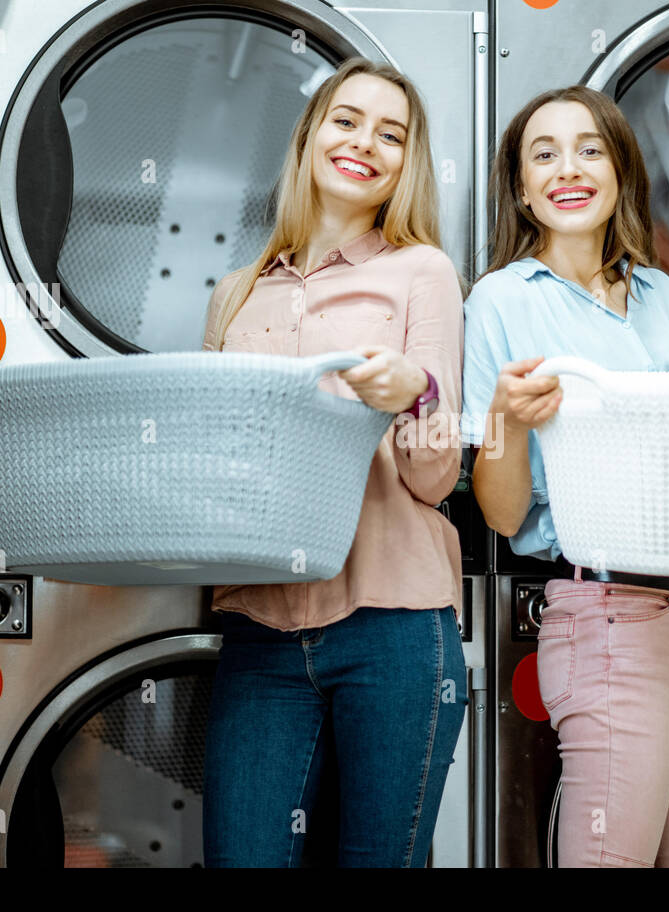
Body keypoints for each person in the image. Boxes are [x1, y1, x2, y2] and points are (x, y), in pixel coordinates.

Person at [461, 86, 669, 867]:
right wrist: (509, 420)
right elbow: (502, 513)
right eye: (543, 154)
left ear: (620, 169)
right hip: (607, 615)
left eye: (590, 148)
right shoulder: (500, 302)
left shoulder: (659, 292)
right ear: (522, 188)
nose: (568, 168)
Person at [199, 58, 466, 867]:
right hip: (260, 628)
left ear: (405, 165)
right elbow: (210, 465)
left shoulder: (424, 272)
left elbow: (434, 479)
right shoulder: (235, 291)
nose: (365, 143)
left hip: (394, 624)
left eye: (392, 134)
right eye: (347, 120)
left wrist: (415, 393)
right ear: (312, 135)